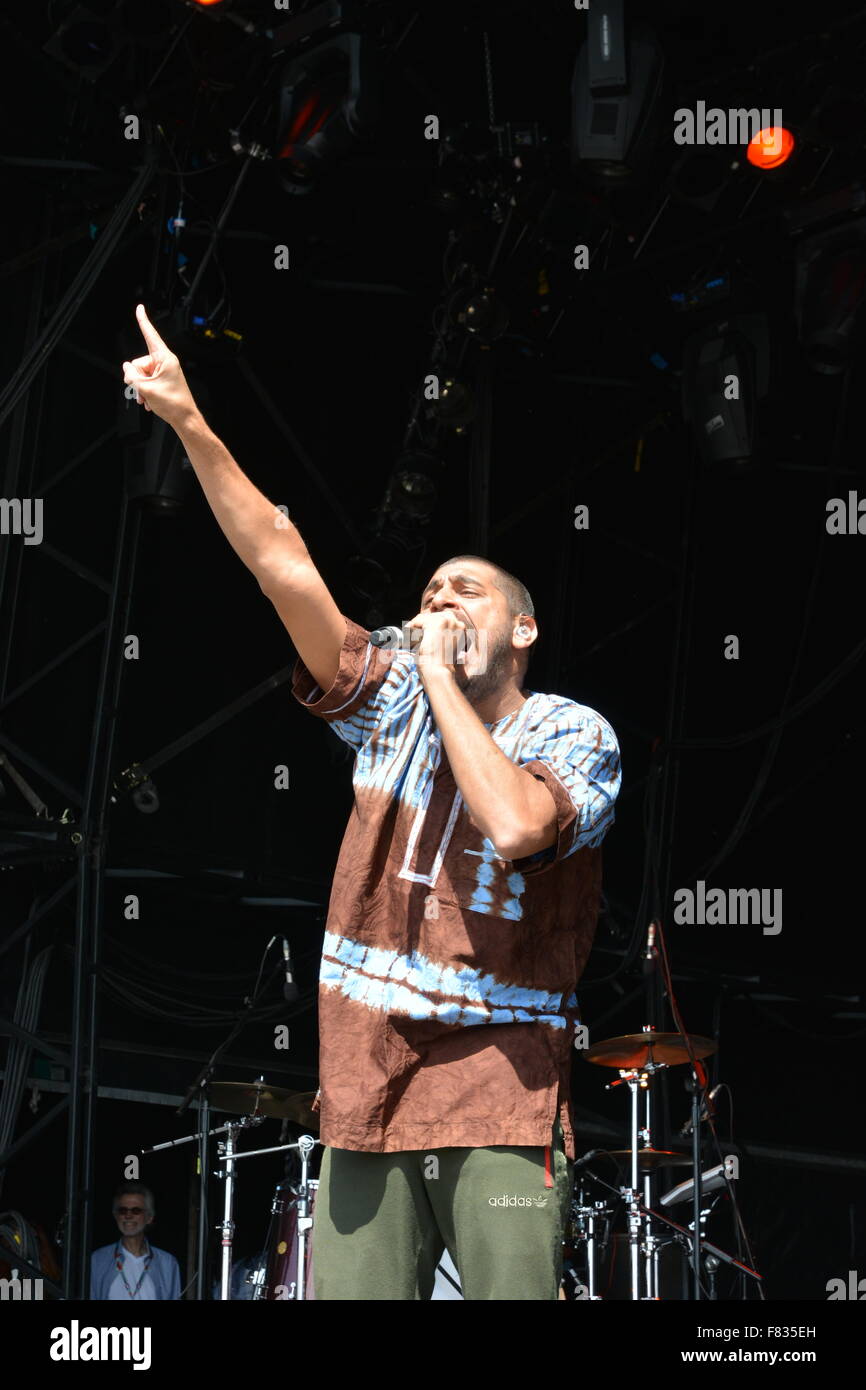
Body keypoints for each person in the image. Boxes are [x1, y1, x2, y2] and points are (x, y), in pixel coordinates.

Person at [121, 305, 622, 1300]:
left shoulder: (572, 731)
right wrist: (189, 422)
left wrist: (433, 676)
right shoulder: (391, 700)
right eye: (429, 591)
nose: (437, 602)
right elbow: (281, 563)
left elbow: (520, 825)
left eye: (464, 593)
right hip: (367, 1089)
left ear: (521, 629)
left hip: (498, 1093)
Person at [90, 1182, 181, 1300]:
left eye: (136, 1210)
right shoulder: (98, 1260)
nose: (128, 1215)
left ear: (149, 1217)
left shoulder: (167, 1263)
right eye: (123, 1210)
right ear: (116, 1216)